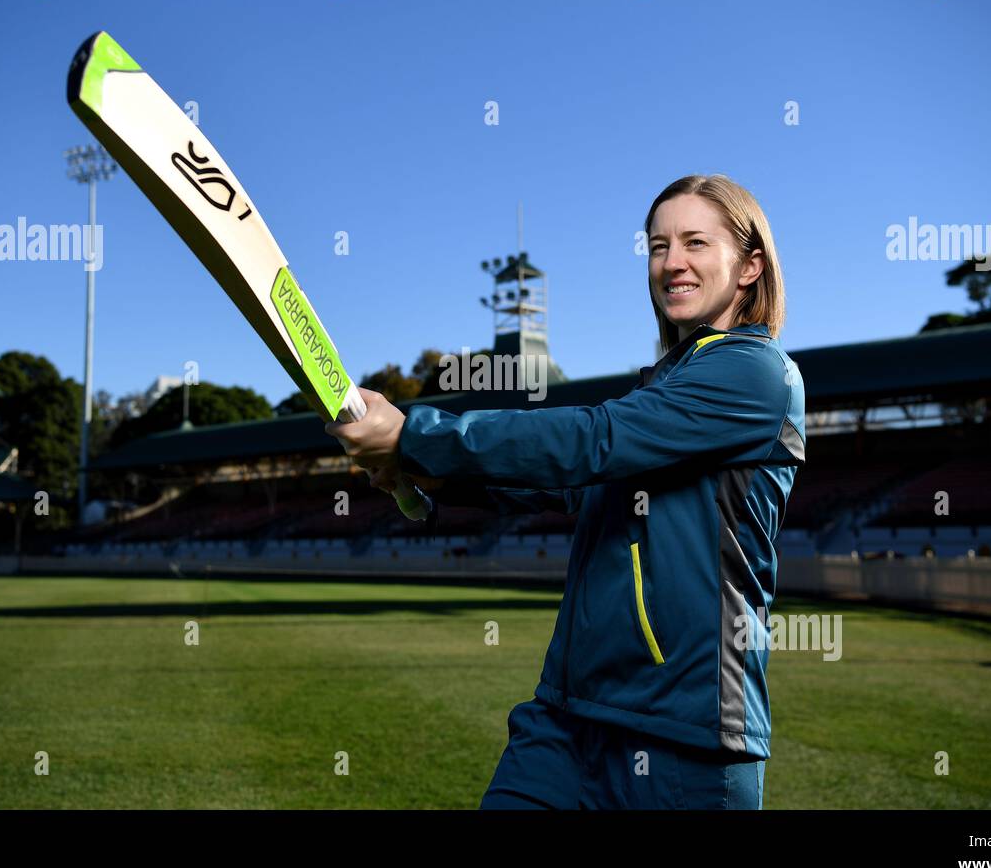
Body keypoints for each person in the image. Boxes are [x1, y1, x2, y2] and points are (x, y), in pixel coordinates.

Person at [326, 174, 806, 809]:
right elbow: (567, 484)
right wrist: (426, 470)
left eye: (695, 242)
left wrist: (415, 434)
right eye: (658, 246)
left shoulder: (756, 373)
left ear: (749, 266)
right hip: (564, 718)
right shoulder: (661, 385)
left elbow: (592, 441)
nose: (672, 262)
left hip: (684, 738)